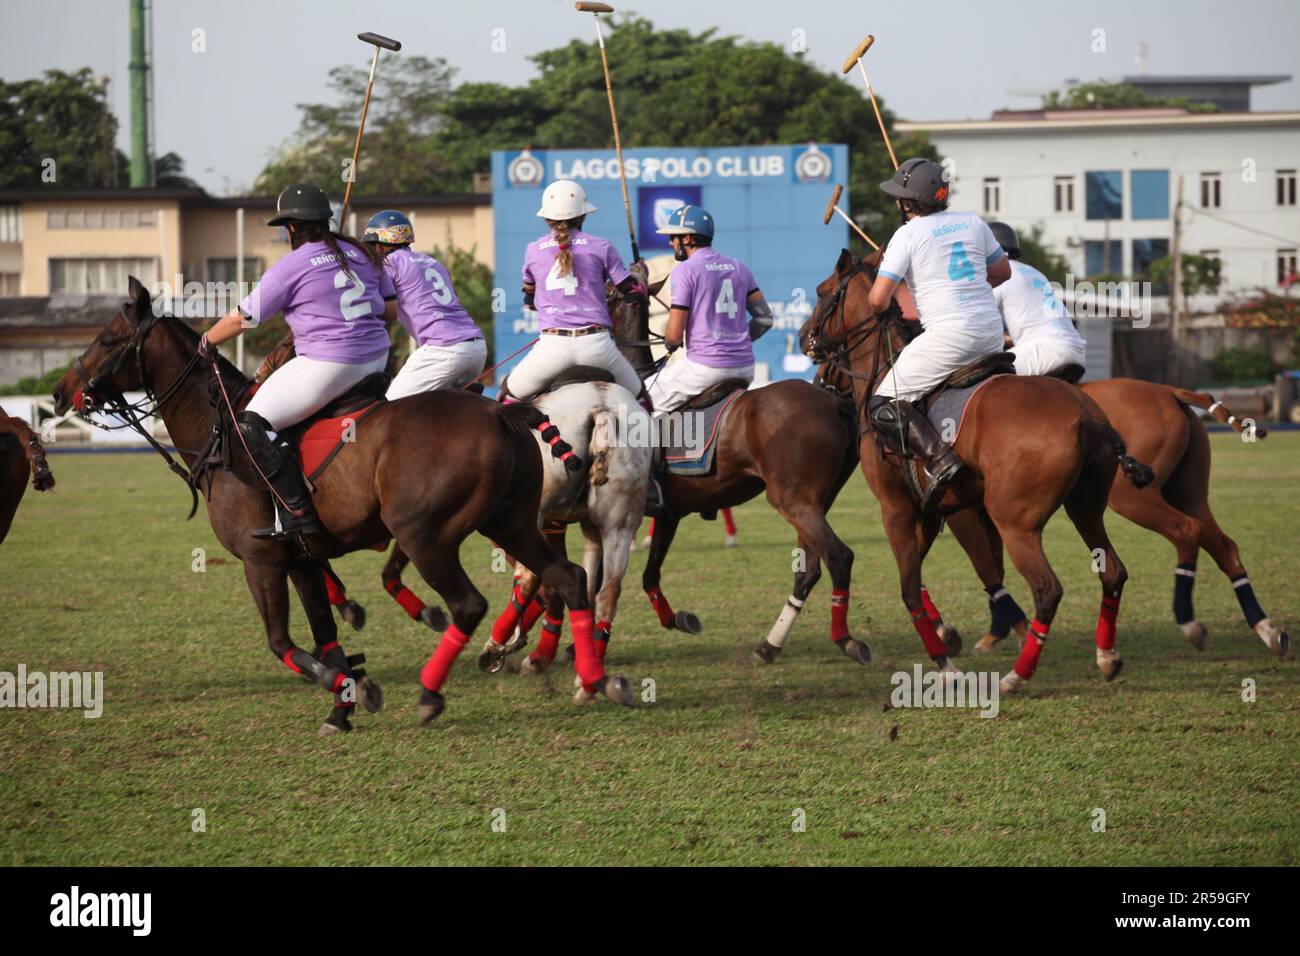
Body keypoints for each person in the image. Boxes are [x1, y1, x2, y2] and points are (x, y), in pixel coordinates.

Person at [202, 183, 395, 539]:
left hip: (330, 364)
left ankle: (296, 514)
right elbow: (391, 309)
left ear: (290, 227)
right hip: (379, 358)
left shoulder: (290, 266)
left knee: (251, 423)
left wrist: (207, 340)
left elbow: (245, 318)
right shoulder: (362, 254)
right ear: (325, 220)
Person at [864, 158, 1013, 511]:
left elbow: (877, 299)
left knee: (881, 404)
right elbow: (1003, 272)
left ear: (908, 202)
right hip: (992, 335)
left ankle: (940, 458)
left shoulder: (906, 235)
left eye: (899, 196)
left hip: (950, 337)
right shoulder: (973, 222)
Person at [501, 179, 647, 402]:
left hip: (552, 348)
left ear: (547, 218)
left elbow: (529, 300)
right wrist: (640, 276)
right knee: (641, 398)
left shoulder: (532, 250)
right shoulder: (601, 246)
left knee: (507, 398)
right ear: (583, 215)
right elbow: (632, 294)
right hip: (596, 346)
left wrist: (539, 302)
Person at [645, 205, 774, 411]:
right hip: (746, 368)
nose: (670, 242)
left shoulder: (685, 270)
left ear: (687, 239)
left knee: (640, 399)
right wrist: (736, 342)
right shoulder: (739, 267)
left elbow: (675, 337)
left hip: (705, 370)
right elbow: (765, 319)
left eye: (673, 237)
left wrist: (670, 342)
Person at [360, 210, 487, 399]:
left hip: (443, 351)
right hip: (477, 350)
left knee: (390, 405)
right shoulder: (434, 263)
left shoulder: (389, 264)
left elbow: (372, 302)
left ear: (378, 245)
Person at [986, 221, 1088, 380]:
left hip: (1045, 350)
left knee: (984, 378)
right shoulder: (1034, 272)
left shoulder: (998, 275)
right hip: (1075, 350)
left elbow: (976, 324)